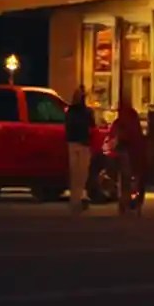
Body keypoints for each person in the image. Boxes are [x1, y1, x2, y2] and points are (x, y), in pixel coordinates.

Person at [110, 97, 148, 216]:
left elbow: (114, 137)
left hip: (124, 150)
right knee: (134, 178)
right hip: (134, 152)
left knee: (125, 179)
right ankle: (134, 203)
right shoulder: (132, 119)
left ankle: (125, 202)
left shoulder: (120, 122)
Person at [64, 85, 95, 214]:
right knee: (82, 173)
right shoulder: (87, 112)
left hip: (73, 143)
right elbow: (92, 125)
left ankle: (75, 200)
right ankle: (78, 198)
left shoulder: (69, 111)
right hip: (83, 143)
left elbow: (67, 126)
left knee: (75, 173)